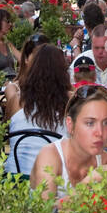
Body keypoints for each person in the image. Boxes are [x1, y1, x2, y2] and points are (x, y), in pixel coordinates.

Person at [29, 87, 107, 205]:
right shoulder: (50, 157)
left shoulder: (106, 162)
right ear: (70, 125)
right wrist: (89, 182)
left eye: (106, 122)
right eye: (90, 123)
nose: (100, 132)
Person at [6, 44, 71, 176]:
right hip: (53, 180)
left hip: (15, 178)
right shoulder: (70, 102)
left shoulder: (17, 101)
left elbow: (7, 136)